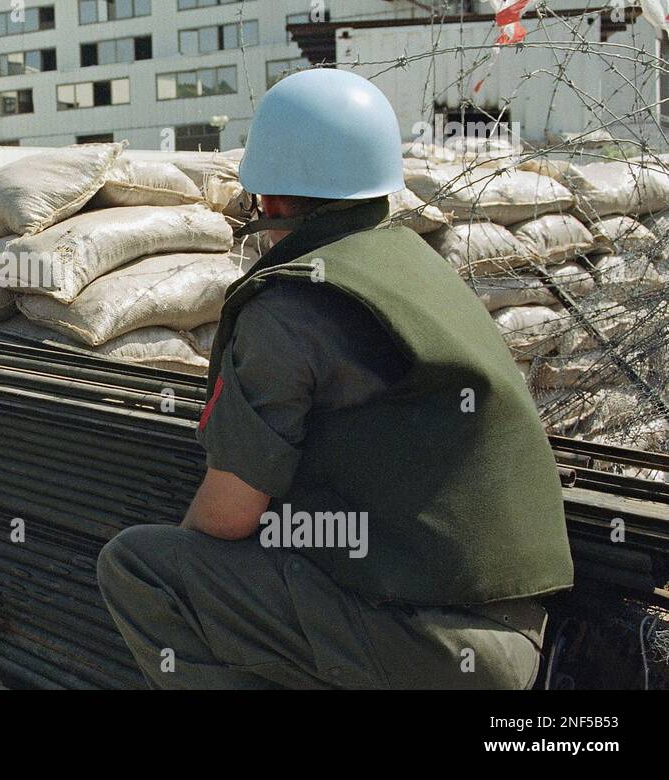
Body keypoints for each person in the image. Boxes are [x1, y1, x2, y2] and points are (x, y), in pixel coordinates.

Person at [96, 68, 573, 690]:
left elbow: (227, 521)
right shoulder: (415, 265)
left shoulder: (288, 309)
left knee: (143, 568)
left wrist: (204, 580)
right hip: (515, 635)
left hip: (425, 646)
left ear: (272, 199)